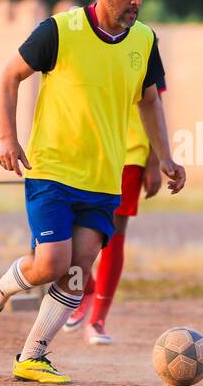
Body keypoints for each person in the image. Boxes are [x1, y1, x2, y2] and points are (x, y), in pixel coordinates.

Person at [0, 0, 186, 384]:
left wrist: (165, 156)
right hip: (52, 170)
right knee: (49, 263)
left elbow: (150, 101)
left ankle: (32, 355)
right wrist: (8, 138)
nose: (136, 0)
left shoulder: (144, 40)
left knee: (77, 271)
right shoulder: (59, 31)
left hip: (104, 177)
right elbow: (10, 76)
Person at [62, 64, 167, 345]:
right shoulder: (77, 34)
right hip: (84, 151)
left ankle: (97, 321)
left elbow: (156, 102)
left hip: (128, 153)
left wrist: (155, 161)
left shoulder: (145, 40)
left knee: (114, 235)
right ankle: (85, 288)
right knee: (66, 234)